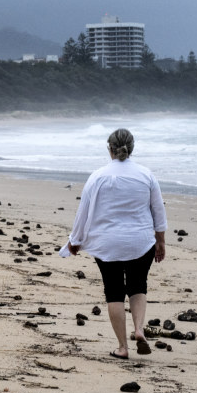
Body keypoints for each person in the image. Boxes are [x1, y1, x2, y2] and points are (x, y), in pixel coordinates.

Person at [63, 128, 166, 359]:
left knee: (114, 291)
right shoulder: (146, 175)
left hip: (107, 244)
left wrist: (75, 241)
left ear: (109, 149)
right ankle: (139, 329)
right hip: (140, 242)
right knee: (138, 285)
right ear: (132, 148)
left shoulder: (97, 177)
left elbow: (83, 212)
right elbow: (158, 210)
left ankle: (122, 347)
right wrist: (161, 242)